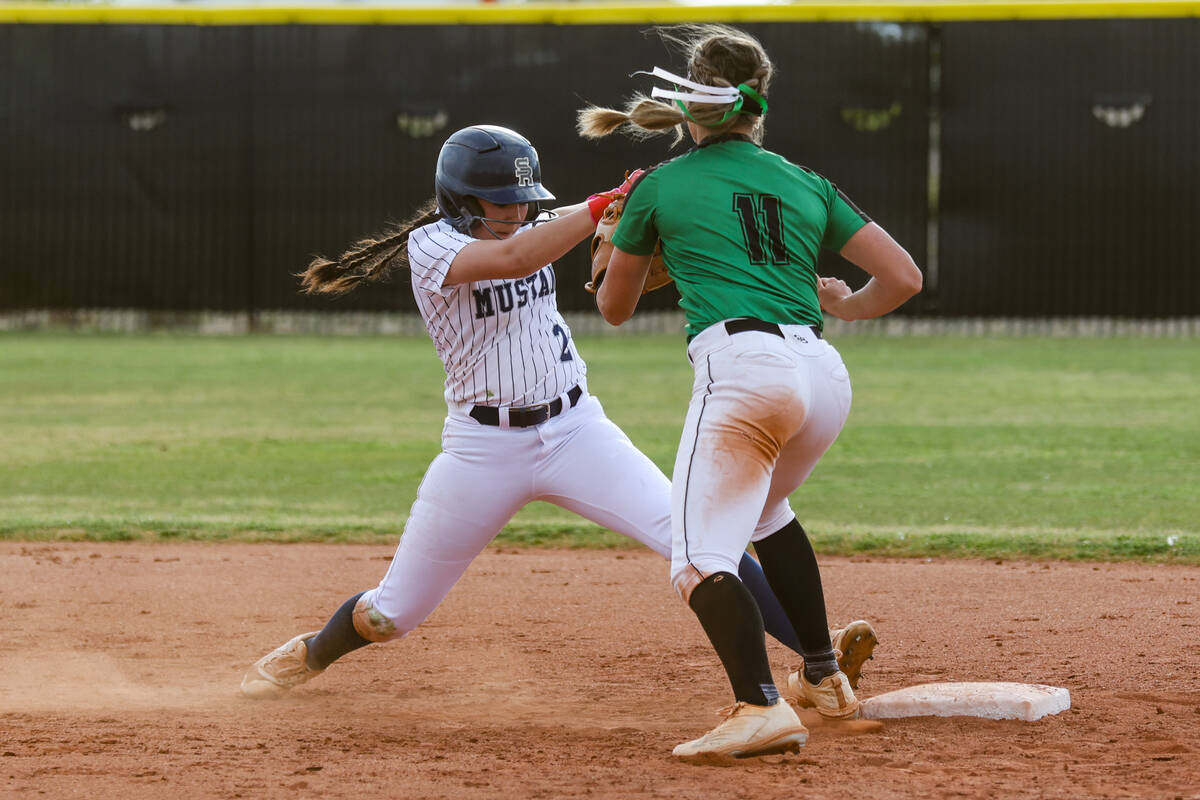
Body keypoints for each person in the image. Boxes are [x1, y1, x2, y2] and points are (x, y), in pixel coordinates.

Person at [238, 124, 862, 701]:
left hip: (577, 431)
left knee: (696, 538)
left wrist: (628, 205)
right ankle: (311, 653)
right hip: (483, 450)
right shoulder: (432, 247)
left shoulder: (534, 224)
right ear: (460, 200)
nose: (516, 212)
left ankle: (819, 659)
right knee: (389, 615)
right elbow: (517, 259)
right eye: (500, 202)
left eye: (522, 200)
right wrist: (599, 206)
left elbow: (561, 231)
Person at [577, 25, 921, 763]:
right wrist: (845, 303)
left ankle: (760, 707)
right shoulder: (804, 180)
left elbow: (614, 307)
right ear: (758, 103)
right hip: (822, 374)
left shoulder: (660, 184)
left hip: (745, 368)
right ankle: (823, 678)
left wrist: (611, 239)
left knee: (697, 560)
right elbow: (903, 278)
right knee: (765, 511)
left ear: (690, 102)